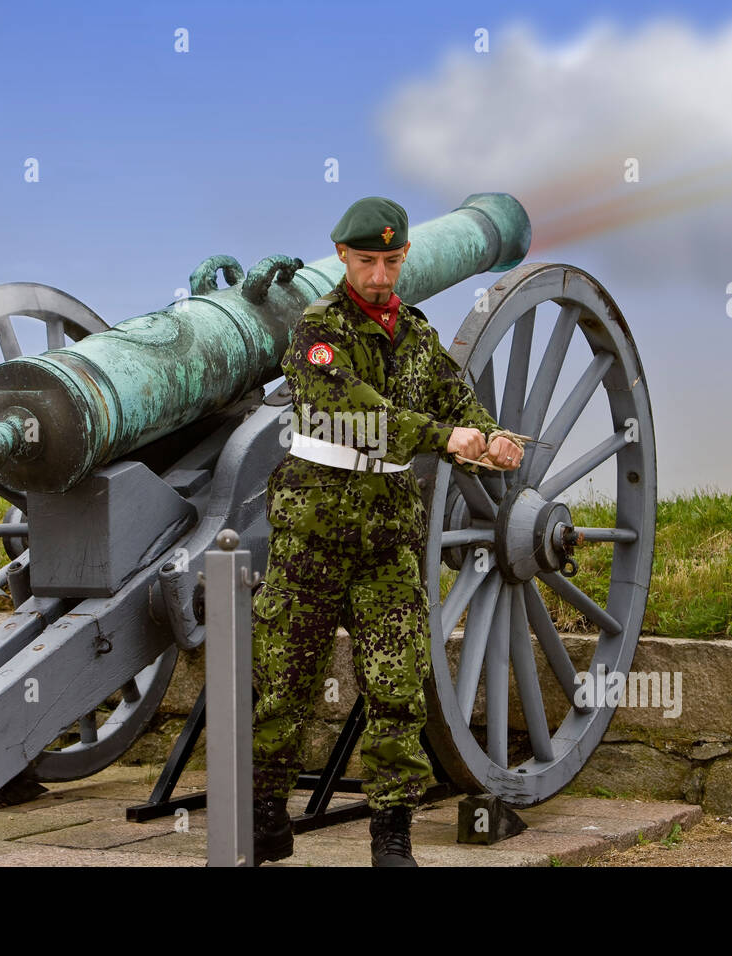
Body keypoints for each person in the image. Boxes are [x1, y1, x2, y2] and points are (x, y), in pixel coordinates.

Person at [251, 196, 524, 866]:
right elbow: (351, 415)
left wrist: (490, 438)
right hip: (313, 528)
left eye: (391, 260)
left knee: (398, 686)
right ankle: (262, 814)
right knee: (285, 682)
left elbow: (456, 400)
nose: (380, 274)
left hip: (387, 534)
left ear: (404, 258)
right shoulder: (319, 332)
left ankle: (391, 830)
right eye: (367, 260)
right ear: (343, 257)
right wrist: (442, 436)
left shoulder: (419, 336)